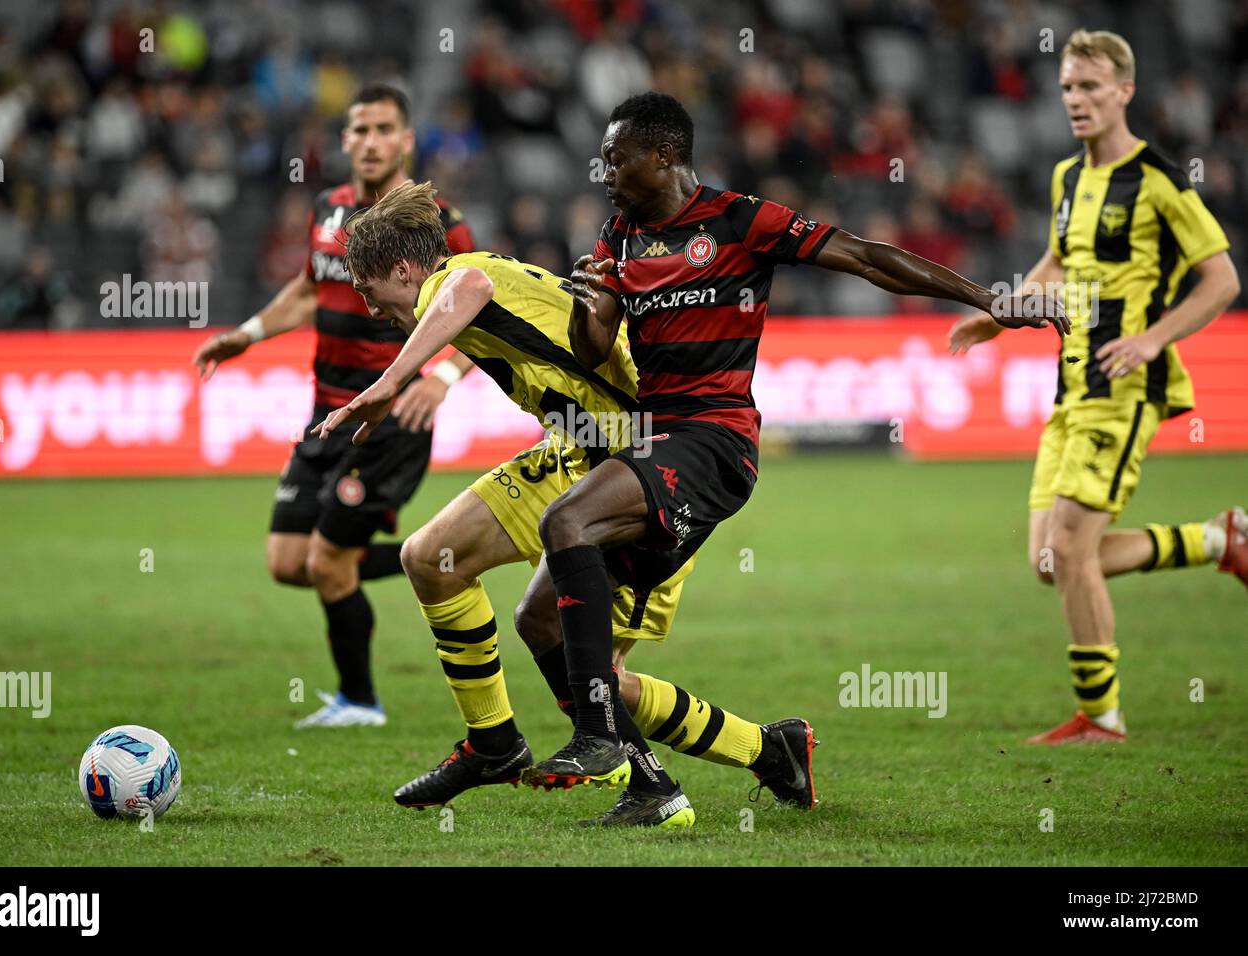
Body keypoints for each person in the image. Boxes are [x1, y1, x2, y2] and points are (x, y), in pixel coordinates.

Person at [524, 91, 1068, 823]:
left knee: (565, 523)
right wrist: (588, 310)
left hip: (715, 443)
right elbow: (593, 350)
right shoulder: (618, 234)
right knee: (539, 622)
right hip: (654, 442)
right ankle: (676, 778)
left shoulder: (742, 220)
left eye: (617, 158)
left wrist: (987, 298)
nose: (605, 171)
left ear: (664, 156)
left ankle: (598, 737)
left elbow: (870, 258)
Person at [314, 181, 822, 828]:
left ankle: (750, 754)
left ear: (406, 271)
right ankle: (494, 743)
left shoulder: (463, 278)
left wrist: (390, 383)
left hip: (638, 469)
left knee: (591, 665)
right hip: (571, 452)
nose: (370, 307)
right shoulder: (466, 286)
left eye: (369, 290)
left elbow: (465, 293)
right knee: (431, 558)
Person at [949, 30, 1245, 745]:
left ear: (1125, 91)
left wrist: (1150, 338)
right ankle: (1216, 539)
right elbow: (1057, 260)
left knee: (1074, 550)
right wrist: (998, 316)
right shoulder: (1066, 179)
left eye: (1090, 87)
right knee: (1050, 560)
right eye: (1067, 89)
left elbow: (1223, 279)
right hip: (1071, 383)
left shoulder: (1159, 182)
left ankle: (1101, 717)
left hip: (1125, 382)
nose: (1076, 101)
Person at [191, 84, 476, 728]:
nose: (370, 142)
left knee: (324, 562)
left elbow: (479, 304)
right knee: (288, 563)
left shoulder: (437, 218)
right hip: (327, 414)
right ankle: (430, 555)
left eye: (384, 129)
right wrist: (249, 334)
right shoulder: (327, 209)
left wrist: (444, 379)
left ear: (406, 140)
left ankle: (361, 703)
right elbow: (304, 289)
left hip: (390, 421)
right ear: (345, 140)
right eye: (359, 130)